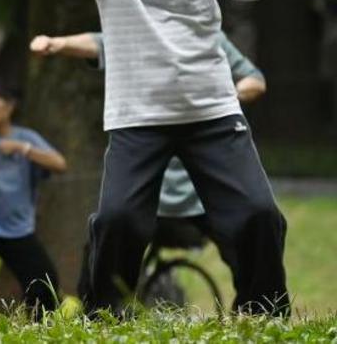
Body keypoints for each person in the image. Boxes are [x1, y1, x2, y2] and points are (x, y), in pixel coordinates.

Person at [16, 0, 289, 315]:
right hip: (138, 114)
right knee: (119, 219)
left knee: (259, 216)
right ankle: (103, 315)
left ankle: (263, 313)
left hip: (211, 109)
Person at [31, 30, 264, 283]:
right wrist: (58, 43)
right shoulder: (141, 32)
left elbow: (254, 80)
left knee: (247, 237)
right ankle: (99, 312)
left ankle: (256, 308)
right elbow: (101, 42)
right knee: (107, 236)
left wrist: (222, 98)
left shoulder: (206, 35)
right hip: (149, 197)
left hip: (198, 200)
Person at [0, 80, 66, 315]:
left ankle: (41, 333)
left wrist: (22, 148)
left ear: (9, 106)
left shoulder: (26, 137)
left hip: (16, 228)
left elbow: (59, 164)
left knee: (44, 282)